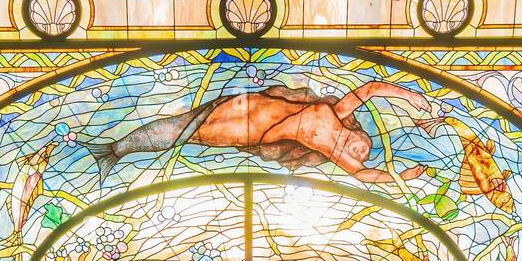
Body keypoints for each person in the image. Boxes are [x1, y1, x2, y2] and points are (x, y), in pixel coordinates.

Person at [85, 80, 433, 183]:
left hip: (254, 134)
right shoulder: (338, 111)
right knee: (186, 121)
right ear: (358, 131)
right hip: (252, 107)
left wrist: (401, 176)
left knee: (188, 132)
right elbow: (370, 88)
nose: (361, 151)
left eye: (361, 154)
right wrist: (410, 96)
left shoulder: (334, 153)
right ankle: (114, 149)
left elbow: (367, 177)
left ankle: (114, 152)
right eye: (364, 145)